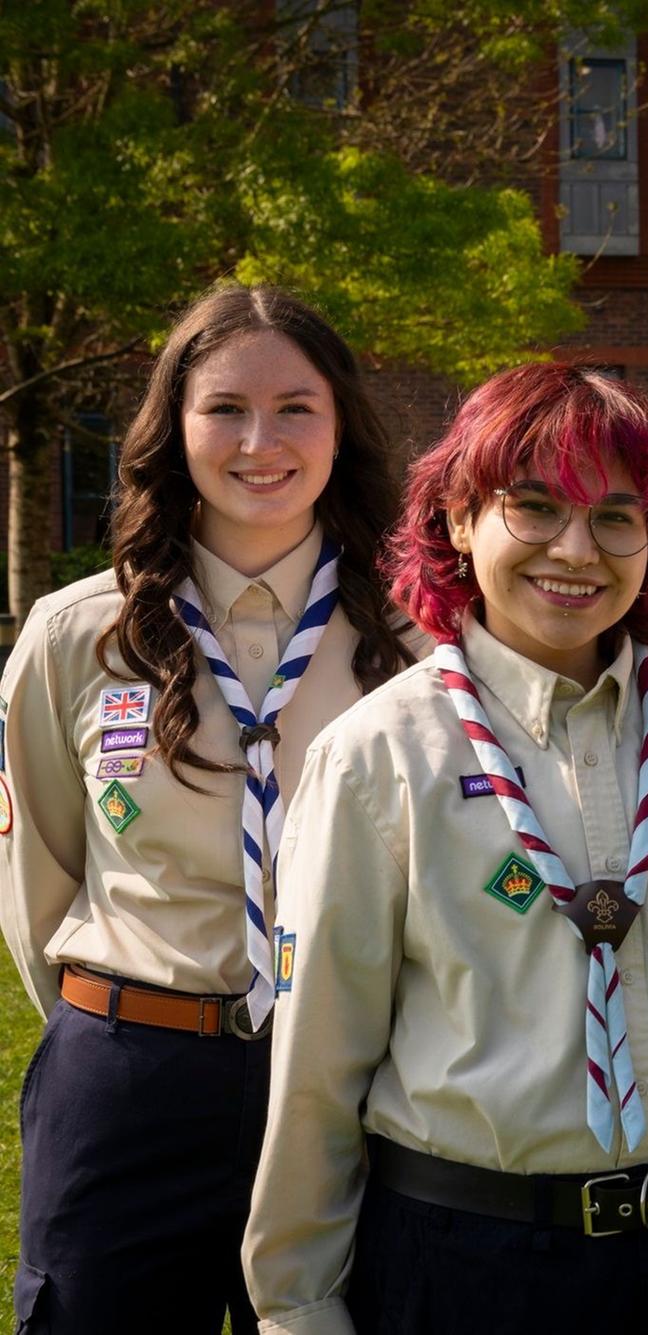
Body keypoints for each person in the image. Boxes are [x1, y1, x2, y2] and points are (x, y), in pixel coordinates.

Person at [240, 364, 648, 1335]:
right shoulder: (379, 759)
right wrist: (298, 1309)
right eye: (533, 508)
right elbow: (319, 1067)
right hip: (472, 1269)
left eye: (617, 519)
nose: (576, 550)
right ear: (455, 519)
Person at [0, 284, 418, 1332]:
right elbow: (40, 870)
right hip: (132, 1082)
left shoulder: (420, 640)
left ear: (340, 427)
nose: (258, 441)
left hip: (351, 1083)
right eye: (224, 407)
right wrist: (119, 1037)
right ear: (173, 425)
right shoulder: (75, 635)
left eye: (295, 408)